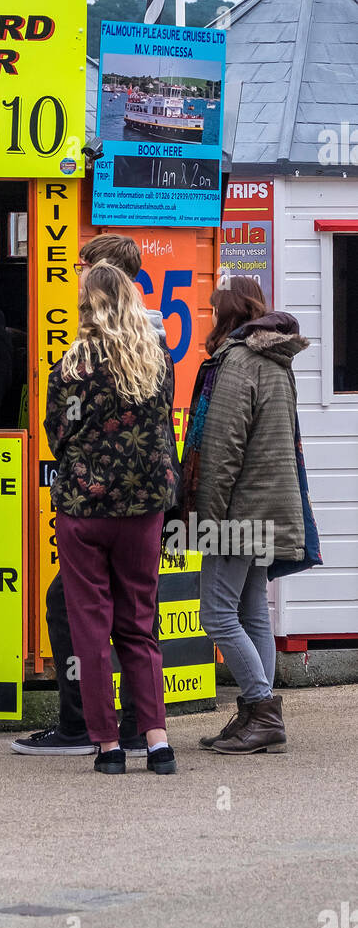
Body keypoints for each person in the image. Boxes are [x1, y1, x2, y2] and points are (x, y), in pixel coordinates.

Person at [13, 233, 174, 757]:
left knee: (89, 625)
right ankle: (156, 740)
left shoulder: (72, 365)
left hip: (85, 509)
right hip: (144, 510)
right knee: (139, 626)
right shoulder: (157, 360)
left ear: (87, 305)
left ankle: (105, 744)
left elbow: (57, 435)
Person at [176, 279, 319, 755]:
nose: (208, 316)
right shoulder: (277, 361)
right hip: (268, 503)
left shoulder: (236, 363)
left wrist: (207, 520)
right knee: (253, 610)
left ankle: (263, 710)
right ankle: (254, 716)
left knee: (216, 614)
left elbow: (221, 450)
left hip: (237, 509)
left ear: (227, 312)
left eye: (212, 308)